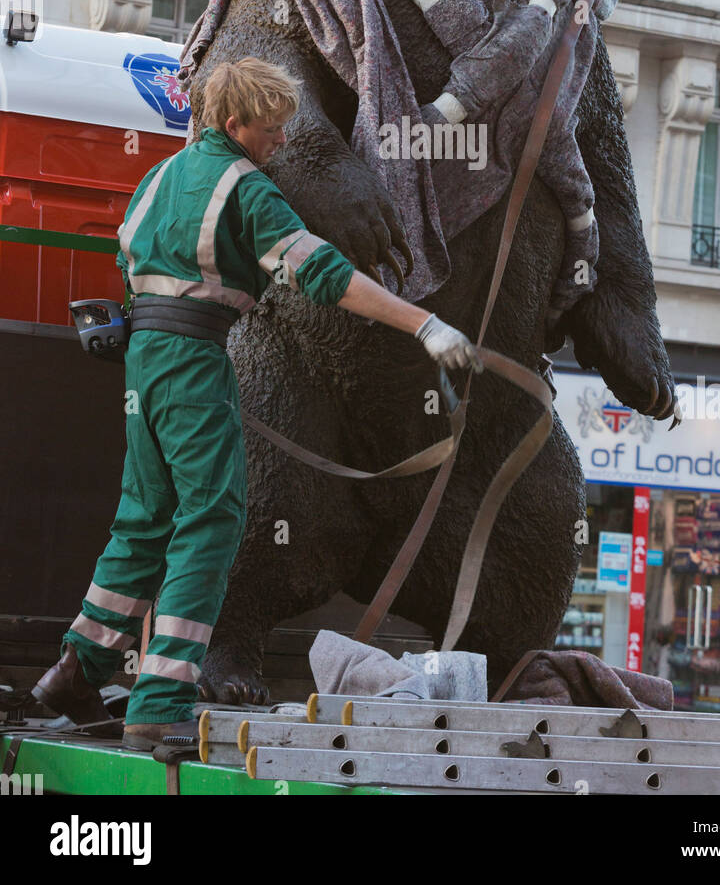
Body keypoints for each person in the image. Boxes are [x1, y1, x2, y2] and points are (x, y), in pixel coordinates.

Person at [33, 57, 480, 749]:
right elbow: (324, 274)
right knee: (211, 520)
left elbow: (134, 268)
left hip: (143, 363)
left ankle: (76, 666)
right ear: (236, 122)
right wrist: (423, 324)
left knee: (143, 521)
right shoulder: (244, 188)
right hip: (193, 362)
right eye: (271, 128)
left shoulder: (157, 178)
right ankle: (159, 701)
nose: (279, 141)